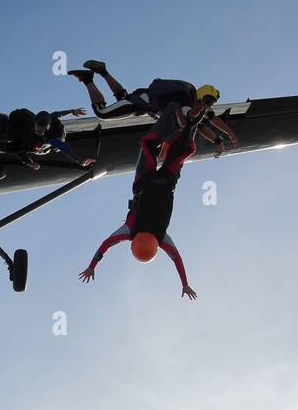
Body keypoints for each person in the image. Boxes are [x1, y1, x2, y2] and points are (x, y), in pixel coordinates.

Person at [76, 101, 204, 298]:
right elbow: (105, 244)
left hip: (167, 181)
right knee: (147, 143)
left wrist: (185, 284)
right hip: (145, 181)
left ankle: (190, 123)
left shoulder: (162, 239)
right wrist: (92, 266)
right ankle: (176, 121)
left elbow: (177, 259)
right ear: (133, 243)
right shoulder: (130, 231)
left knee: (181, 153)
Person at [66, 59, 241, 155]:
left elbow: (208, 119)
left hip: (143, 101)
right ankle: (88, 79)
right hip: (142, 102)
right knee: (102, 113)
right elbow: (198, 124)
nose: (206, 109)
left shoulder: (189, 97)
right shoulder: (187, 105)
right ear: (203, 100)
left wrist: (226, 135)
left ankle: (103, 71)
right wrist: (219, 140)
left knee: (123, 99)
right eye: (208, 103)